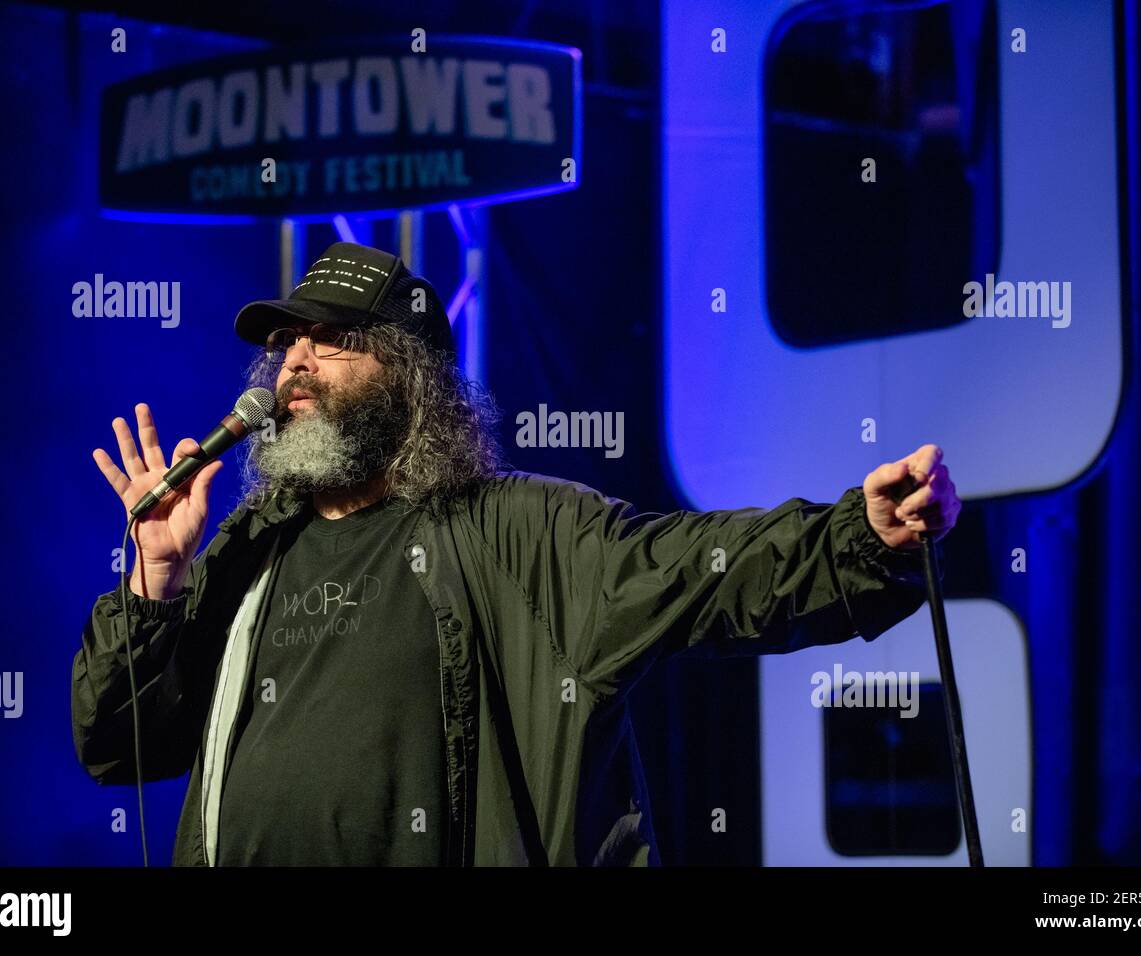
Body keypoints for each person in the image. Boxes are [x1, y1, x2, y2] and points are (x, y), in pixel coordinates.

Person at [72, 241, 961, 867]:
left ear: (410, 378)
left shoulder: (517, 537)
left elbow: (696, 569)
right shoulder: (246, 553)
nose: (294, 363)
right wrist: (155, 580)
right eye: (286, 343)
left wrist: (856, 537)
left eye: (331, 340)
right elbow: (118, 746)